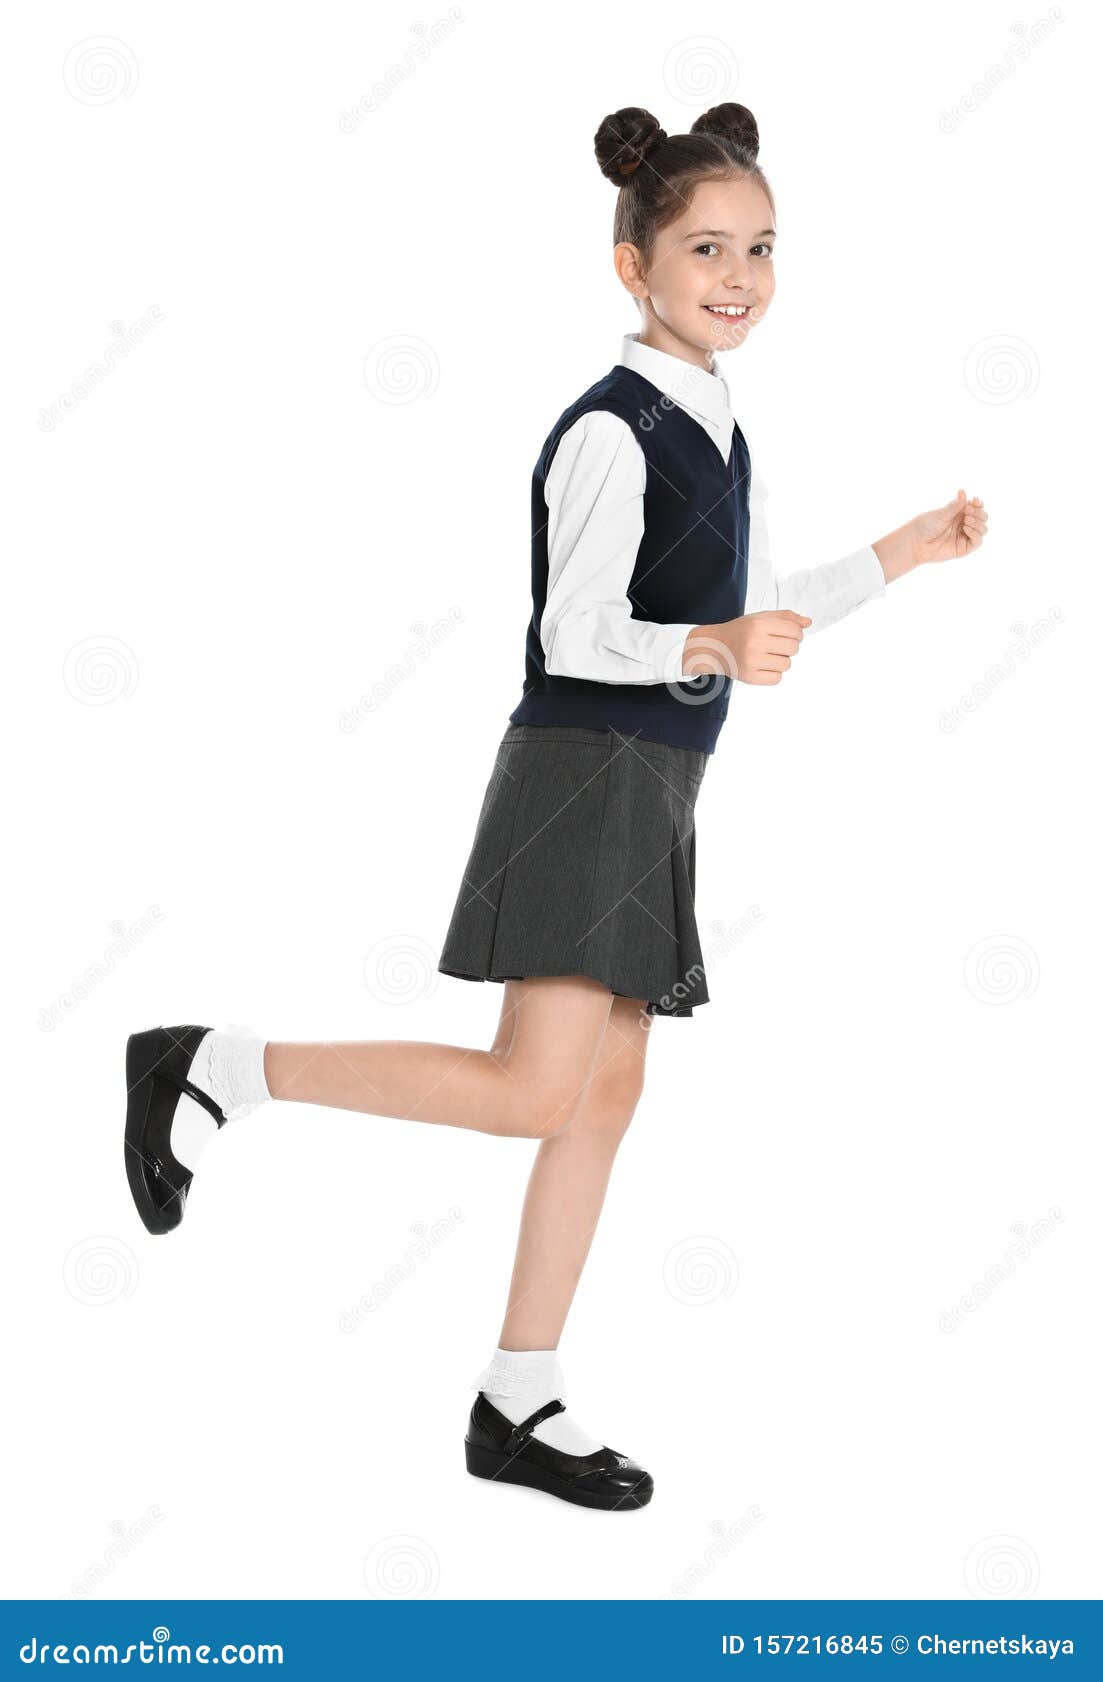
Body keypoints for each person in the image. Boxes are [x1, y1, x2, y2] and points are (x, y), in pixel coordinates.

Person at [123, 101, 988, 1513]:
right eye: (707, 246)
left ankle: (518, 1393)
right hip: (583, 765)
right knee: (536, 1084)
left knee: (608, 1088)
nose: (740, 274)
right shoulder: (609, 428)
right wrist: (708, 649)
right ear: (632, 265)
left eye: (762, 248)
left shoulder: (720, 422)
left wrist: (906, 552)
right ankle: (215, 1060)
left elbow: (755, 606)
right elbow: (576, 627)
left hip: (657, 780)